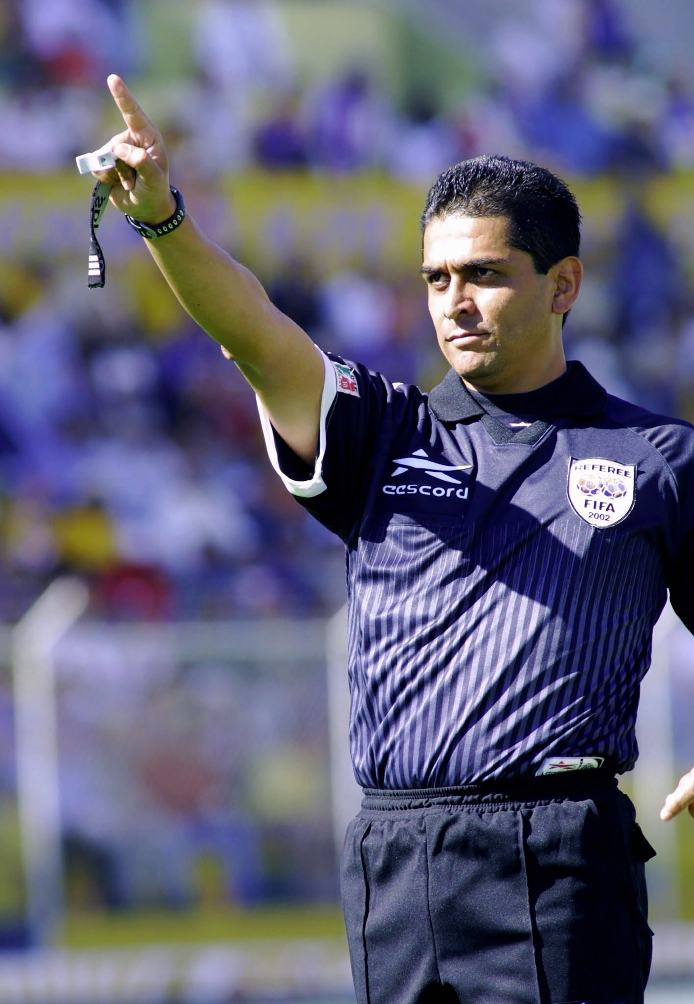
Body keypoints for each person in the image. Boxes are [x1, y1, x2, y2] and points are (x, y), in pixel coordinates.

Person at [92, 75, 694, 1004]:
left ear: (563, 283)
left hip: (558, 854)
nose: (456, 301)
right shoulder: (386, 431)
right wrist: (164, 219)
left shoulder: (655, 458)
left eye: (486, 275)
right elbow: (254, 332)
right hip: (391, 857)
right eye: (438, 278)